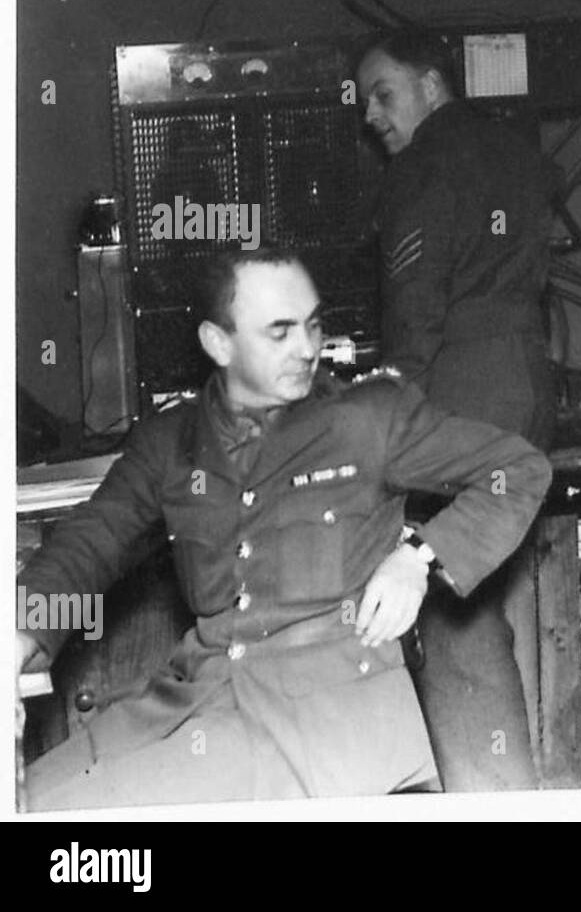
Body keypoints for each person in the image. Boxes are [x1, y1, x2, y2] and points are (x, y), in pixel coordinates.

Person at [16, 248, 552, 810]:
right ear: (217, 343)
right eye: (279, 332)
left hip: (332, 717)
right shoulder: (170, 442)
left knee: (71, 820)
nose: (307, 348)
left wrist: (417, 558)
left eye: (313, 324)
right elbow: (92, 540)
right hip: (197, 697)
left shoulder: (367, 418)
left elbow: (516, 471)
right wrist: (20, 636)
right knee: (30, 796)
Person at [355, 28, 559, 789]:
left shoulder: (419, 169)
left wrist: (385, 417)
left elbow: (414, 318)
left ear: (433, 84)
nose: (373, 115)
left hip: (464, 395)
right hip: (531, 382)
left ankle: (492, 790)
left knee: (450, 610)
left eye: (385, 93)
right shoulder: (515, 149)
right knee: (498, 581)